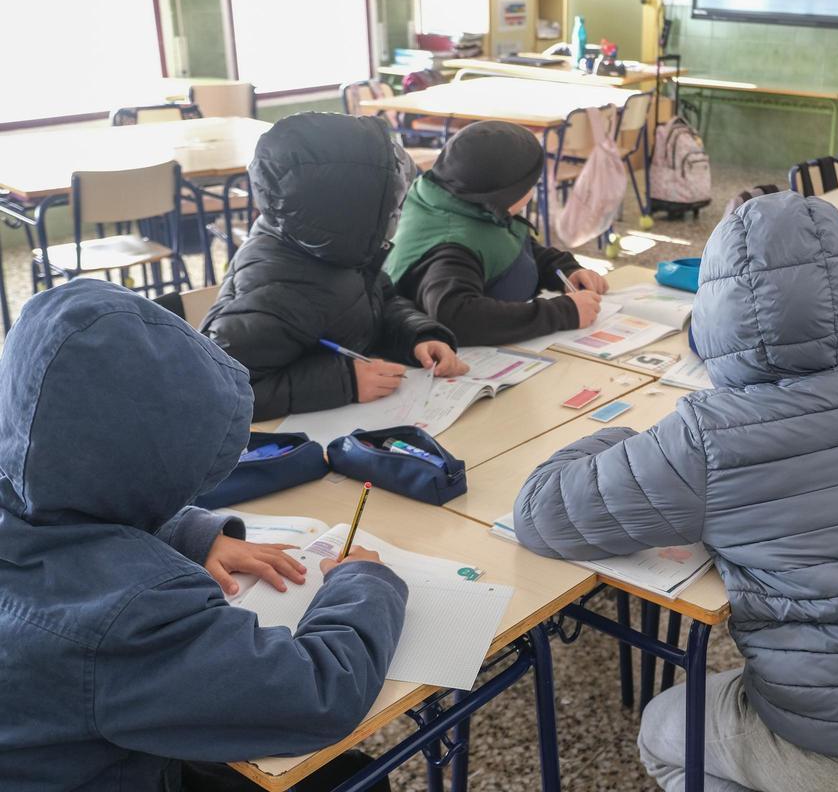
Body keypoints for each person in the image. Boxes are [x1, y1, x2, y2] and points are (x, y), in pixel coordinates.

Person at [513, 192, 838, 792]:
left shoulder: (709, 437)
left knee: (662, 731)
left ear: (715, 308)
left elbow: (540, 513)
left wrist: (624, 437)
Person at [0, 279, 407, 791]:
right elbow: (317, 696)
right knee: (352, 778)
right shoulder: (128, 618)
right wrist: (365, 584)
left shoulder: (28, 469)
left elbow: (65, 502)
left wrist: (191, 533)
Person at [202, 112, 467, 422]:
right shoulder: (276, 290)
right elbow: (215, 391)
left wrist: (416, 337)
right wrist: (345, 382)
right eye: (390, 205)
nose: (396, 213)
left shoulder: (332, 245)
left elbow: (379, 302)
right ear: (349, 209)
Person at [383, 120, 609, 347]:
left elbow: (510, 245)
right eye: (530, 184)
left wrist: (564, 269)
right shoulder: (450, 247)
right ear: (508, 192)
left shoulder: (460, 196)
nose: (532, 189)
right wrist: (563, 313)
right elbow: (456, 317)